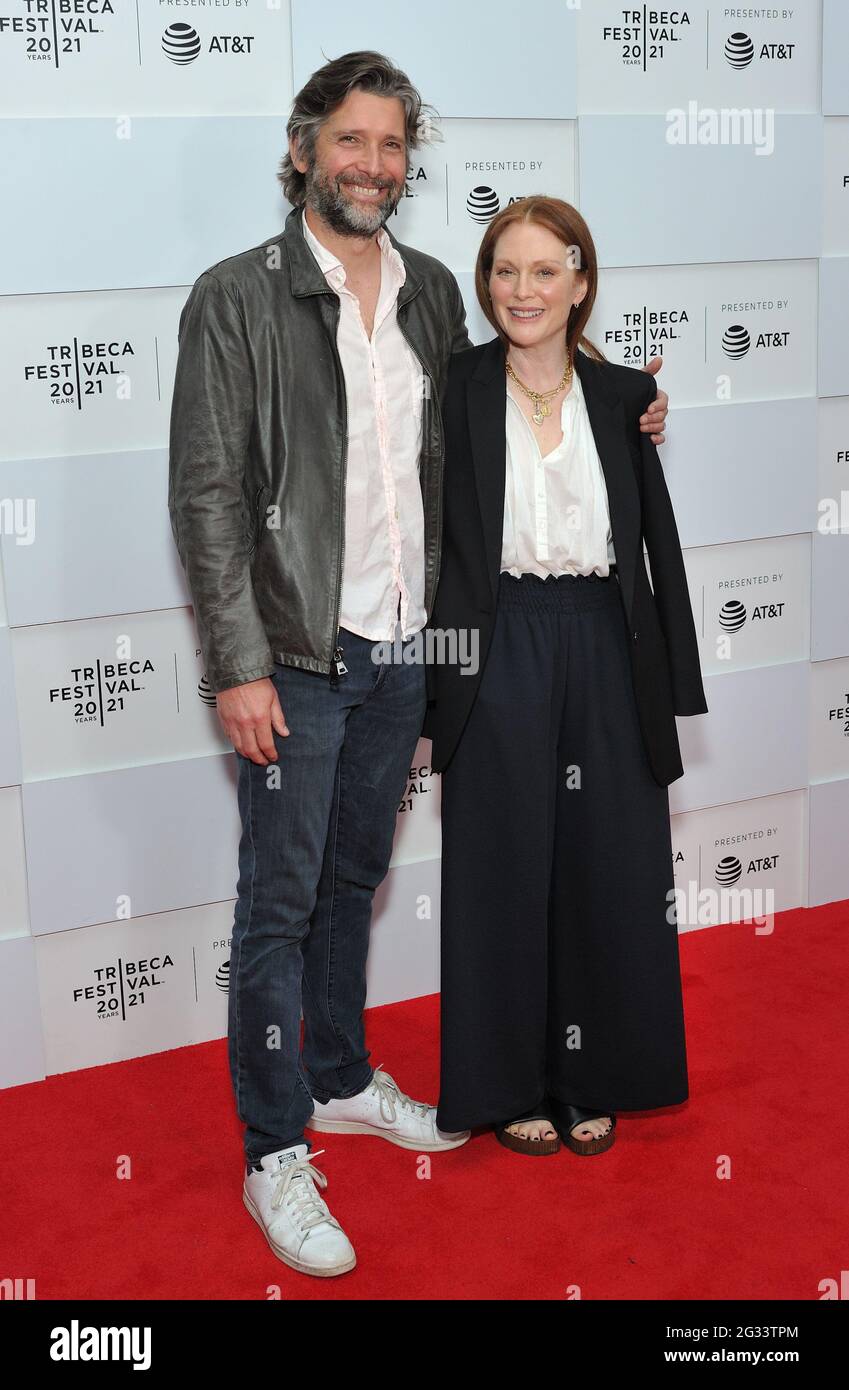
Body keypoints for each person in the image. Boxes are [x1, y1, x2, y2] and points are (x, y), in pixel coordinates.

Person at [169, 53, 671, 1278]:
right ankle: (276, 1147)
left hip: (409, 650)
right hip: (294, 652)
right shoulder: (236, 295)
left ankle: (338, 1076)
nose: (372, 166)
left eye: (392, 147)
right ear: (303, 150)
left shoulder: (437, 291)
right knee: (277, 905)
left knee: (353, 880)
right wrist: (237, 663)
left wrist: (630, 408)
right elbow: (209, 492)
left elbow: (514, 406)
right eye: (350, 141)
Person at [423, 196, 707, 1159]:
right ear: (484, 282)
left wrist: (673, 673)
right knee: (501, 868)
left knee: (609, 869)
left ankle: (593, 1075)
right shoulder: (452, 385)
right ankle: (507, 1084)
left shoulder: (626, 395)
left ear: (581, 282)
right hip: (495, 641)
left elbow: (652, 543)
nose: (523, 290)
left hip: (602, 644)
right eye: (506, 271)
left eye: (546, 271)